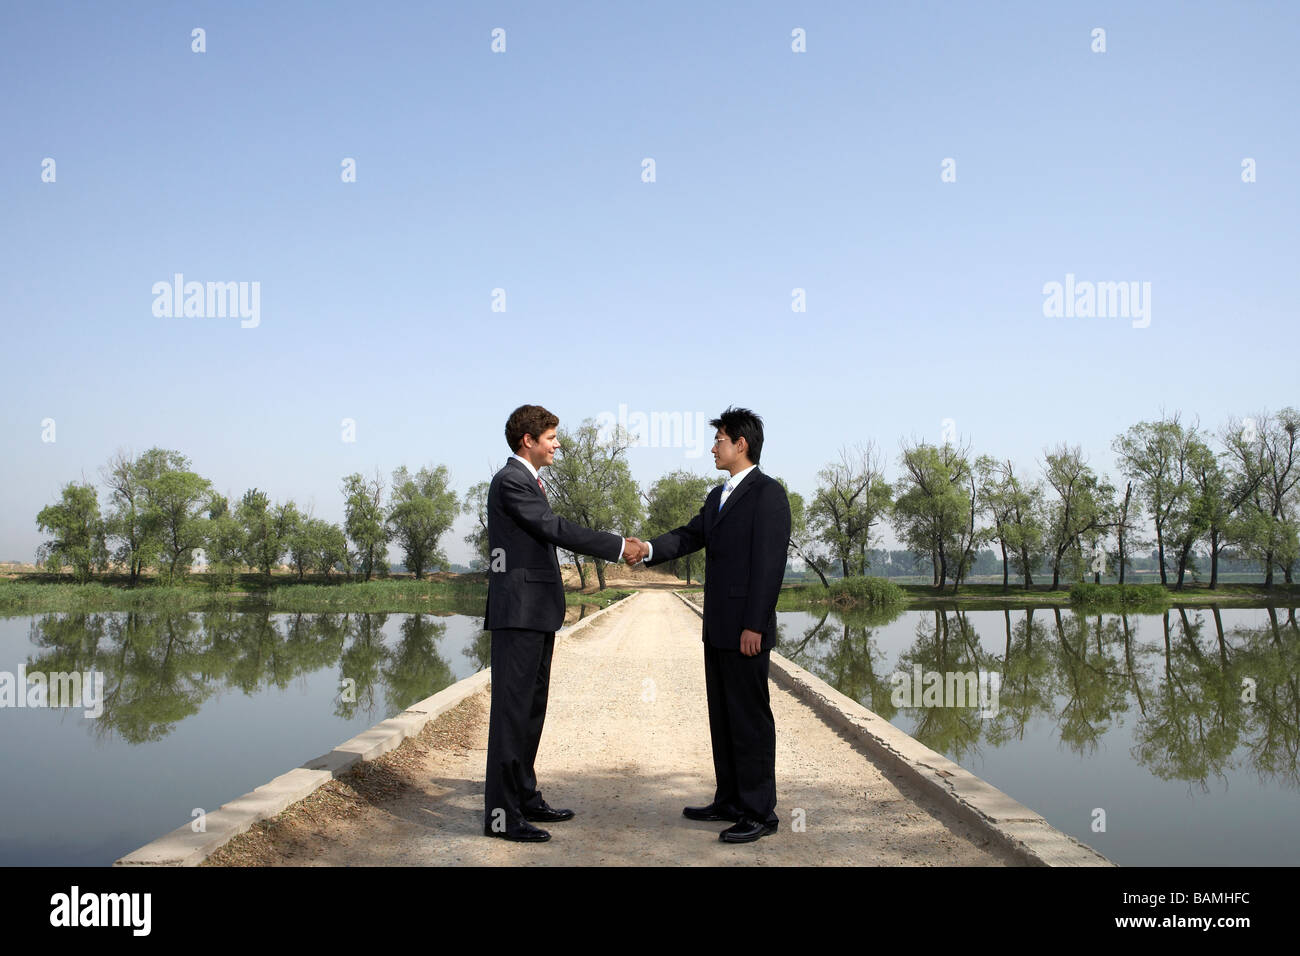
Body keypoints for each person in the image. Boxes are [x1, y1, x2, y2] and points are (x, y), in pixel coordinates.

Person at [625, 406, 790, 843]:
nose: (712, 446)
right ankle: (729, 800)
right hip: (716, 626)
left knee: (750, 719)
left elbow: (770, 565)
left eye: (719, 439)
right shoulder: (717, 496)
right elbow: (689, 535)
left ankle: (759, 812)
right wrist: (648, 548)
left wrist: (755, 624)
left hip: (745, 631)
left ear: (742, 444)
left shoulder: (768, 494)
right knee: (723, 716)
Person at [483, 404, 644, 842]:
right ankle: (502, 817)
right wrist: (616, 545)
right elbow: (552, 527)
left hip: (534, 615)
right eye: (551, 438)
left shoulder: (529, 481)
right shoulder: (511, 480)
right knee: (511, 717)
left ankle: (526, 797)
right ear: (527, 441)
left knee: (531, 712)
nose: (557, 445)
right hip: (517, 616)